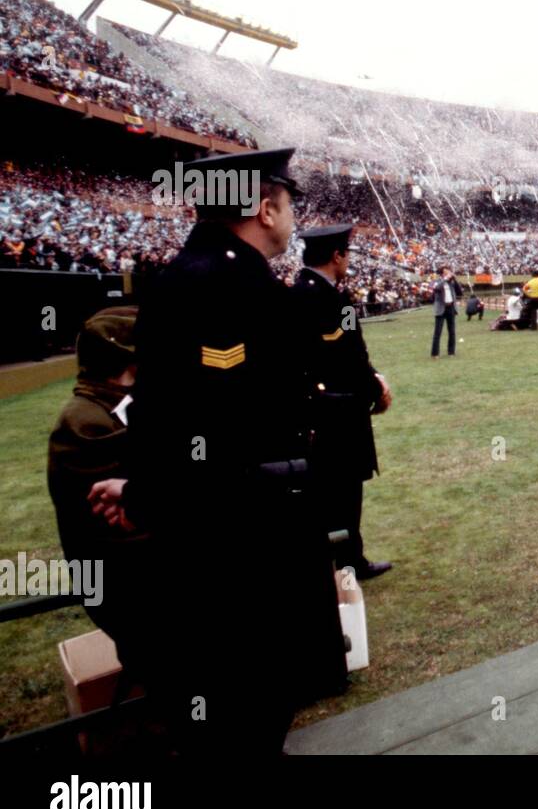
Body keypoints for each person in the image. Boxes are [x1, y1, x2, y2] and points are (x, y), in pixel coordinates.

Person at [89, 147, 347, 755]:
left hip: (230, 521)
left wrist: (144, 490)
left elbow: (168, 412)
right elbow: (196, 416)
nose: (290, 222)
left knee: (244, 704)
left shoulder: (192, 276)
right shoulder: (230, 284)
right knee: (253, 701)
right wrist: (150, 493)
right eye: (287, 207)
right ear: (263, 208)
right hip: (250, 531)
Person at [48, 306, 153, 660]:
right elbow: (127, 531)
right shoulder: (85, 423)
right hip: (128, 588)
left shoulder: (119, 406)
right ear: (130, 364)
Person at [291, 224, 393, 582]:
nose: (348, 261)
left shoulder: (319, 292)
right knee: (341, 491)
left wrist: (374, 378)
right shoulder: (316, 297)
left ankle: (350, 558)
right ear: (336, 256)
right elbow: (342, 360)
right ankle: (348, 564)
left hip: (337, 407)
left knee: (342, 490)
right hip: (333, 412)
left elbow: (355, 353)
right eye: (346, 254)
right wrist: (374, 390)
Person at [431, 265, 463, 356]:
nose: (448, 272)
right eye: (446, 271)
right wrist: (445, 279)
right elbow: (436, 288)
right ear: (442, 273)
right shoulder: (436, 281)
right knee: (438, 332)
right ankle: (435, 353)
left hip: (451, 308)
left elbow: (460, 292)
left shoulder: (451, 282)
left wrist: (454, 279)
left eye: (449, 271)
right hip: (441, 308)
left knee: (452, 331)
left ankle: (451, 352)